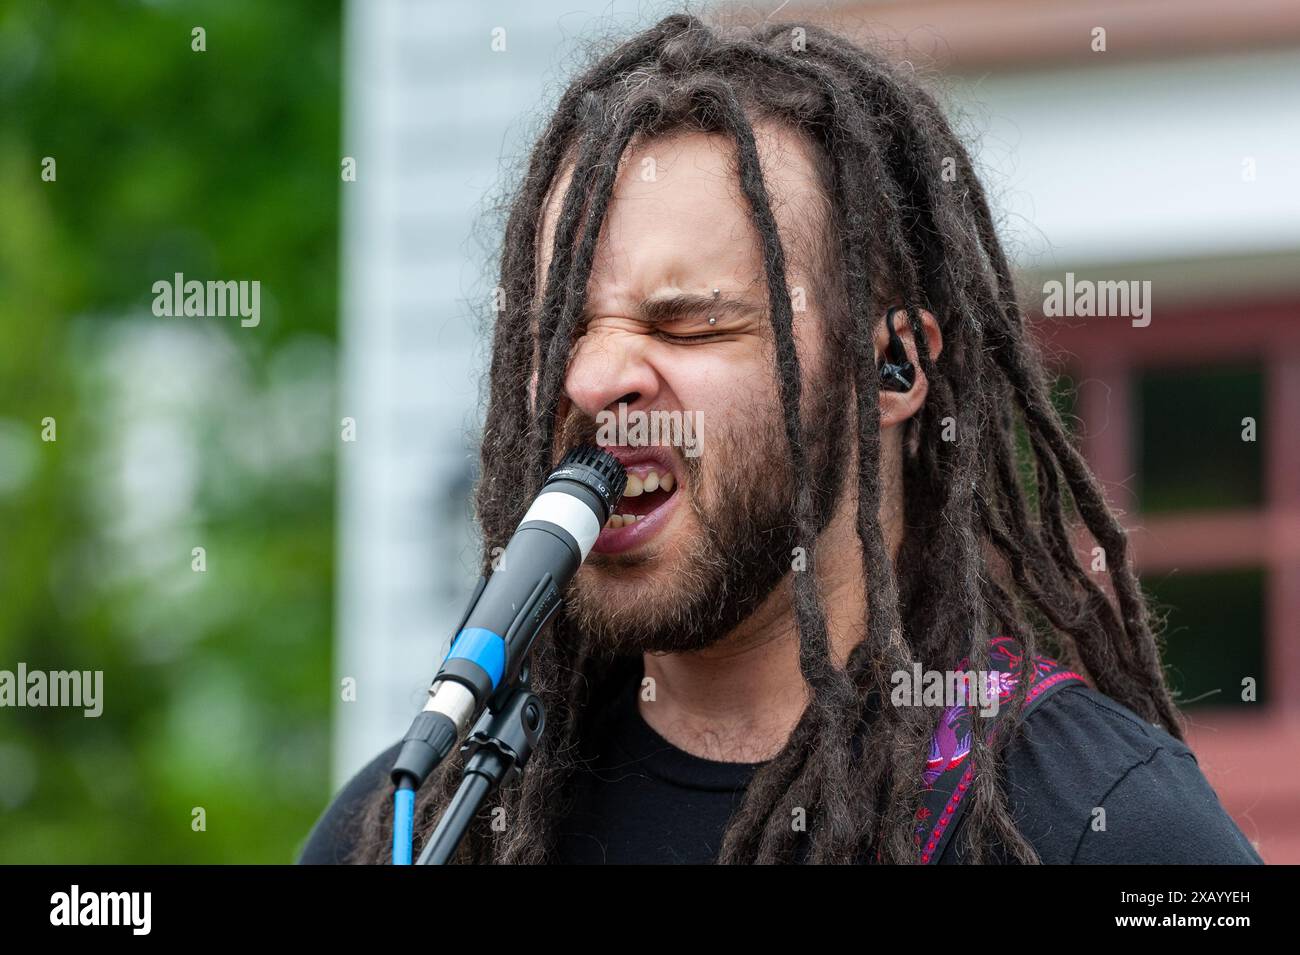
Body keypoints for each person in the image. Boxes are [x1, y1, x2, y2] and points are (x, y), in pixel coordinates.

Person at [301, 15, 1262, 864]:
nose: (593, 380)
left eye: (690, 324)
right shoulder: (424, 821)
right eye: (562, 331)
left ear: (892, 368)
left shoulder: (1103, 822)